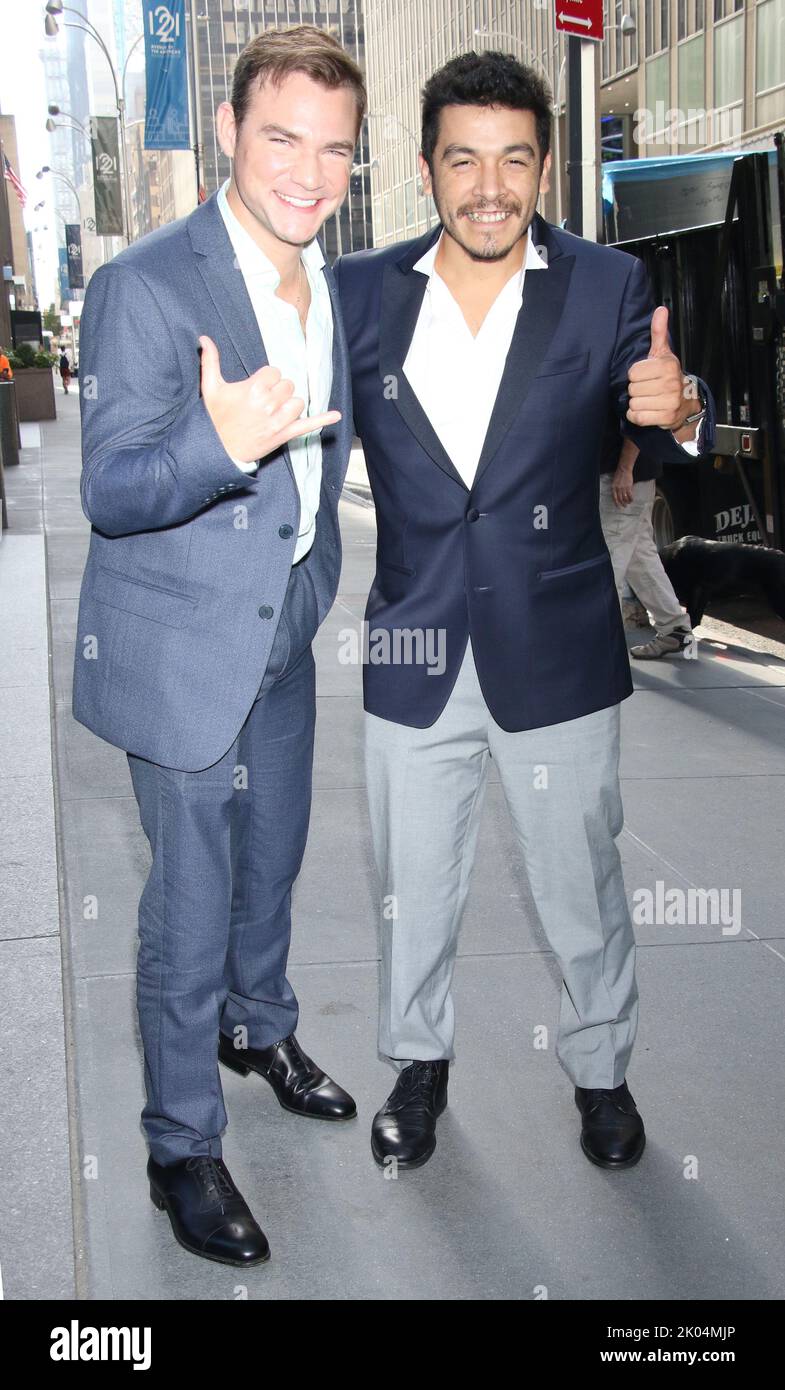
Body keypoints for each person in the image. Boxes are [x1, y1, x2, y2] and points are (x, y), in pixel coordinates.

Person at [335, 51, 713, 1174]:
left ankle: (600, 1071)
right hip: (410, 643)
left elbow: (655, 409)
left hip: (552, 646)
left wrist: (677, 407)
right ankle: (416, 1064)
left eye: (512, 159)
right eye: (463, 159)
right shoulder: (357, 292)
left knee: (578, 881)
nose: (487, 187)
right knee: (411, 884)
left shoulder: (604, 287)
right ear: (424, 170)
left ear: (542, 167)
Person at [72, 26, 365, 1267]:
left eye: (334, 149)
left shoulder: (321, 269)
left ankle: (260, 1025)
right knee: (186, 905)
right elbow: (110, 487)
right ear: (234, 134)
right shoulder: (145, 284)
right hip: (183, 650)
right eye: (282, 137)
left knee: (274, 864)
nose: (307, 171)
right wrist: (219, 440)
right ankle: (178, 1146)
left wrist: (313, 591)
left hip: (283, 629)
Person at [599, 428, 694, 658]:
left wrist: (625, 469)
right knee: (639, 555)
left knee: (610, 562)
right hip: (631, 474)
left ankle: (599, 648)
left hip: (621, 477)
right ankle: (675, 628)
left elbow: (640, 419)